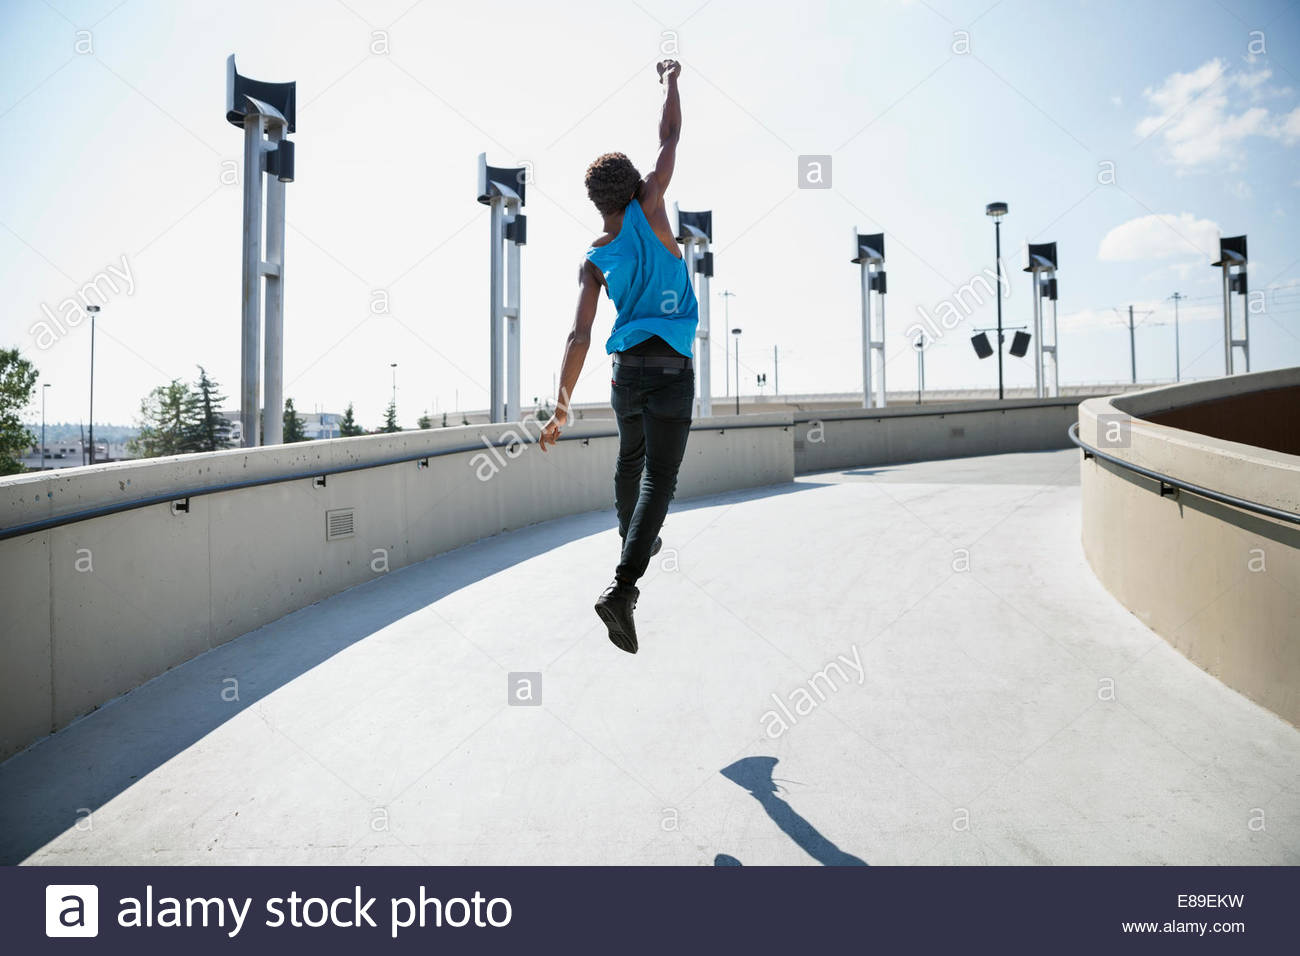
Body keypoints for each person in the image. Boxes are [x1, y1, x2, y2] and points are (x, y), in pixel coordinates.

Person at [538, 59, 697, 655]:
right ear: (633, 187)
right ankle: (623, 588)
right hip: (671, 369)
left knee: (630, 463)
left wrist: (559, 409)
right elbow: (670, 137)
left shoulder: (594, 257)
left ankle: (633, 543)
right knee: (660, 476)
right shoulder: (652, 206)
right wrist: (672, 82)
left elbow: (578, 336)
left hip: (623, 372)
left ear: (593, 201)